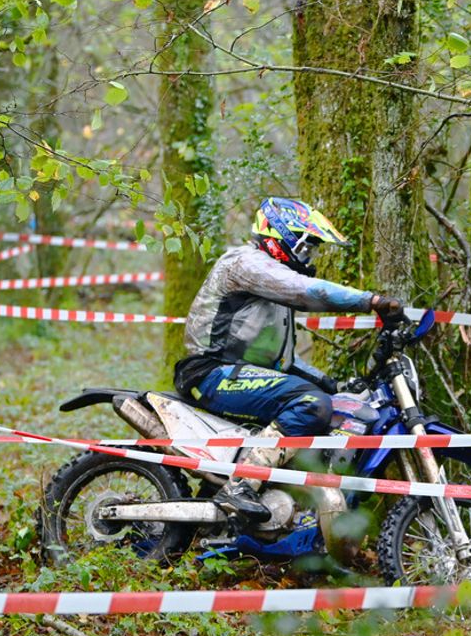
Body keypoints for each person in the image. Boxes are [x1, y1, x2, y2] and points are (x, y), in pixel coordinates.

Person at [174, 197, 407, 524]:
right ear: (278, 235)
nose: (308, 254)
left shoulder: (270, 279)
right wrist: (371, 301)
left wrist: (332, 385)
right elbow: (304, 290)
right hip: (212, 372)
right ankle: (241, 484)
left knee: (330, 401)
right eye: (305, 245)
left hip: (240, 373)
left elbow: (282, 360)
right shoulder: (246, 264)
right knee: (311, 404)